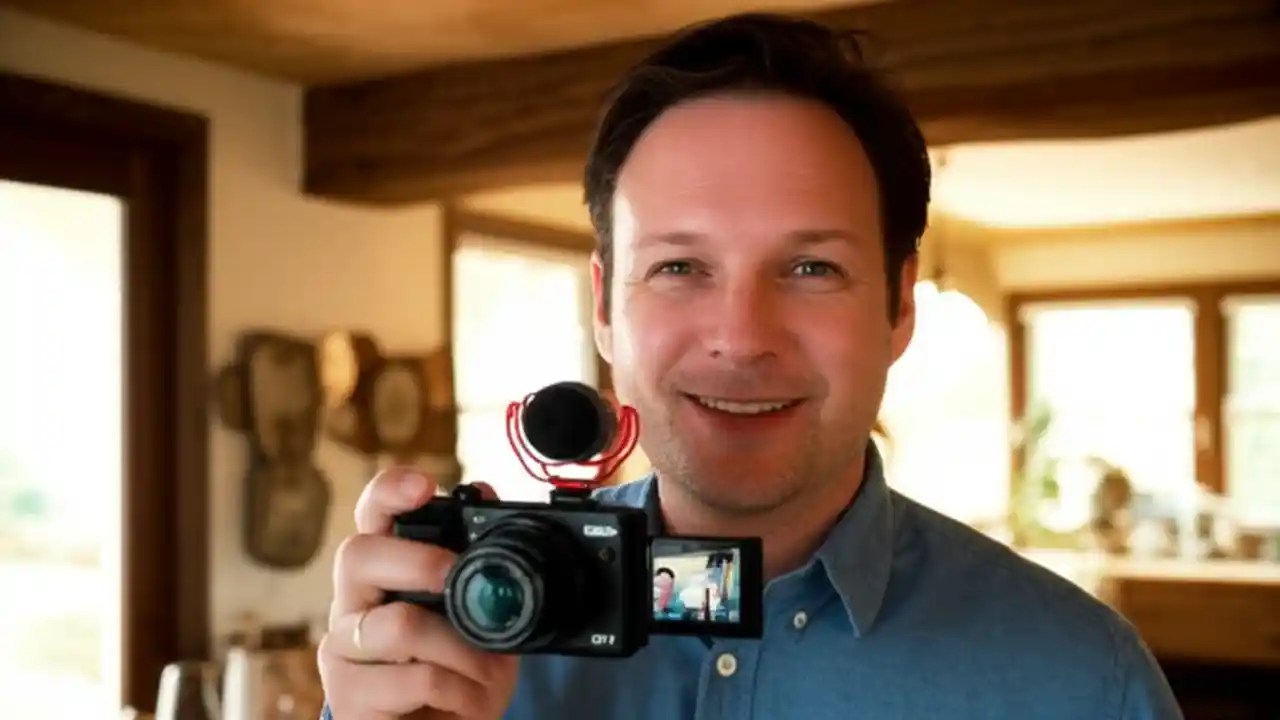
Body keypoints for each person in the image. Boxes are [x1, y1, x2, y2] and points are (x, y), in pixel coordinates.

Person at [317, 12, 1183, 720]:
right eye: (678, 267)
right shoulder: (451, 642)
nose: (740, 338)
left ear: (900, 308)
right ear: (606, 309)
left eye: (811, 269)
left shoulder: (1085, 683)